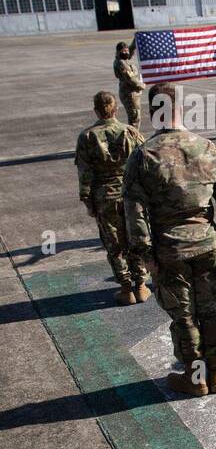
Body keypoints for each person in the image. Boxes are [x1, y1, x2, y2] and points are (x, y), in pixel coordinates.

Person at [123, 82, 216, 397]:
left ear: (153, 111)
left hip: (170, 248)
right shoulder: (206, 148)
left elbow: (134, 213)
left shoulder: (143, 155)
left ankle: (196, 376)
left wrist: (145, 254)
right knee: (211, 309)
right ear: (180, 108)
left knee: (184, 315)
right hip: (207, 243)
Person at [75, 91, 149, 304]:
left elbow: (85, 173)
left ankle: (126, 289)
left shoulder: (87, 137)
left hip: (104, 197)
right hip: (131, 195)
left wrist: (87, 201)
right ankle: (142, 285)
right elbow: (144, 166)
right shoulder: (131, 132)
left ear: (96, 110)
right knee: (136, 238)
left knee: (114, 244)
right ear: (116, 109)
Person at [113, 41, 145, 127]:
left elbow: (130, 51)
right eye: (123, 51)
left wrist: (135, 41)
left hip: (131, 93)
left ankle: (134, 136)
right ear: (118, 52)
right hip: (129, 95)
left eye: (126, 50)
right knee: (135, 119)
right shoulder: (121, 63)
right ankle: (133, 138)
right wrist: (141, 85)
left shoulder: (124, 59)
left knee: (135, 118)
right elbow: (130, 78)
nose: (126, 52)